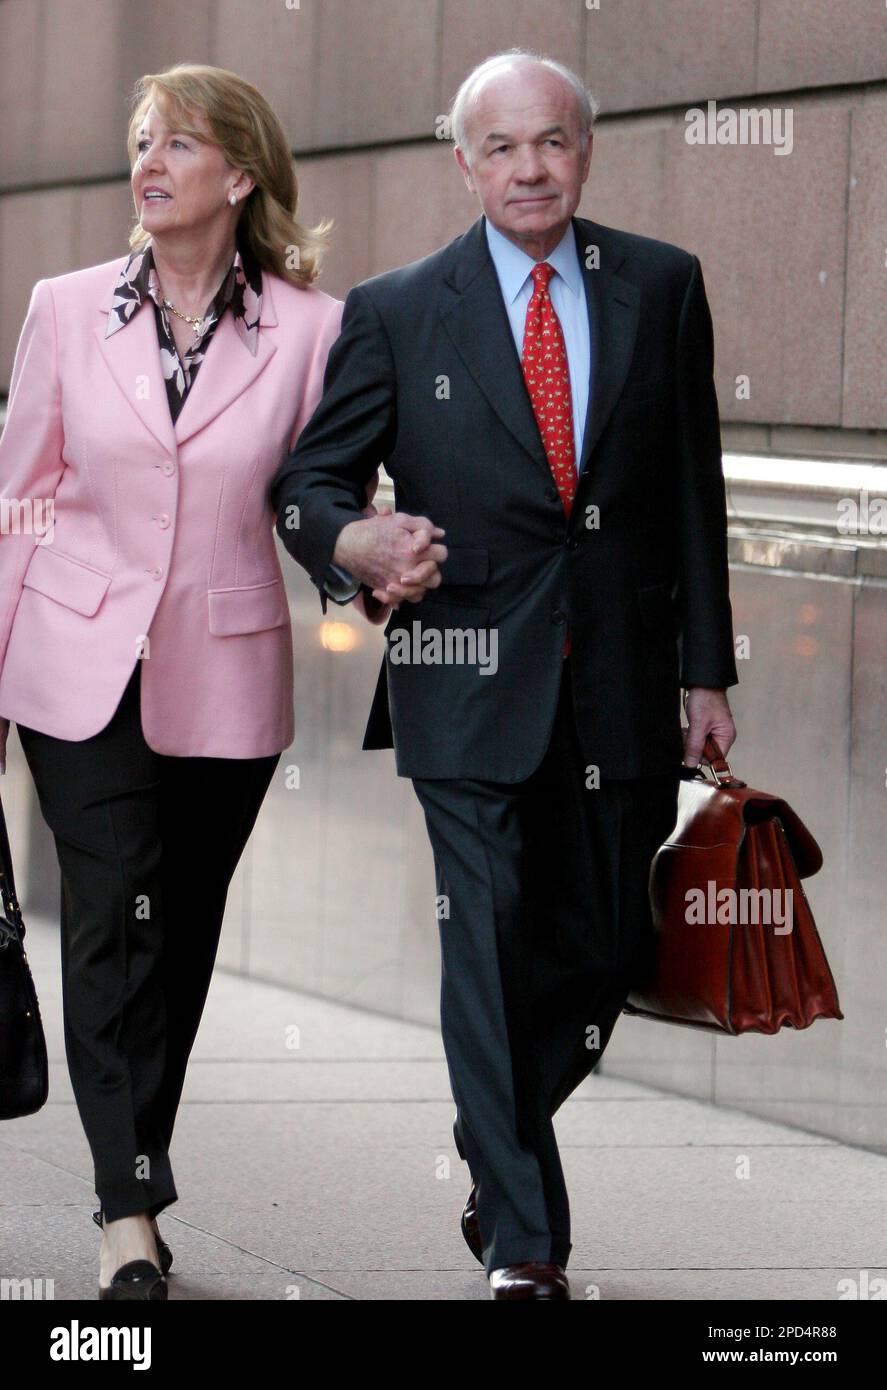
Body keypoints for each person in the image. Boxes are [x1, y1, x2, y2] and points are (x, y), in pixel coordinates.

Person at [270, 50, 738, 1300]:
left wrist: (706, 671)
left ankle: (496, 1140)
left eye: (551, 143)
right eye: (502, 147)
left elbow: (696, 490)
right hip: (461, 677)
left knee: (593, 958)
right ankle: (527, 1244)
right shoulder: (399, 308)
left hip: (625, 683)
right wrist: (355, 542)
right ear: (462, 159)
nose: (529, 167)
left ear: (583, 152)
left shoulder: (660, 285)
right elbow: (306, 489)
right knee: (482, 941)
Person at [0, 62, 358, 1299]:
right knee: (111, 913)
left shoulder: (314, 328)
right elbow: (19, 503)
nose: (148, 163)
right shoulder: (64, 305)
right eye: (140, 141)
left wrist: (378, 554)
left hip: (227, 670)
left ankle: (136, 1157)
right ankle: (126, 1209)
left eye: (179, 145)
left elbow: (329, 495)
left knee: (180, 933)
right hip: (73, 660)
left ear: (240, 174)